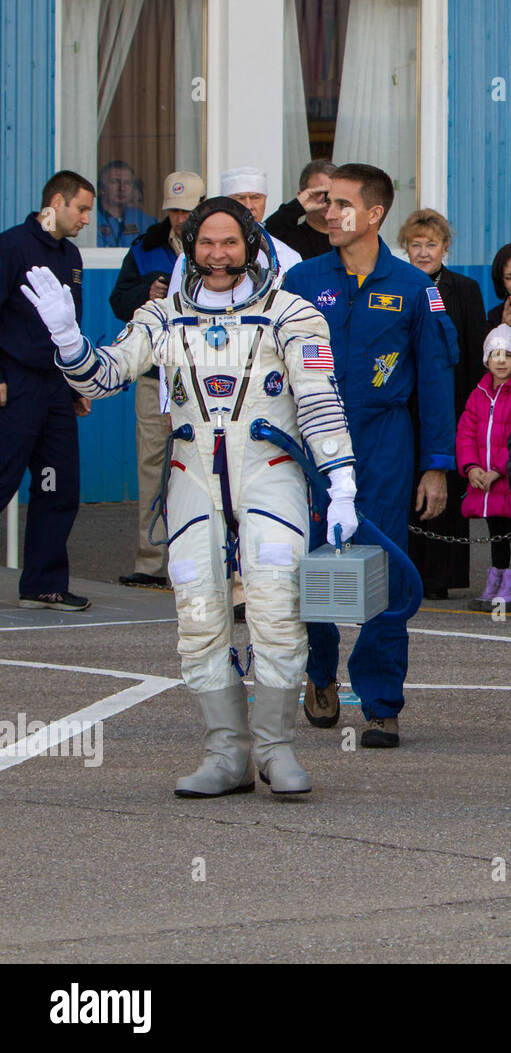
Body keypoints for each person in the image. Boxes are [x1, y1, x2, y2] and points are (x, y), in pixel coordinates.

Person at [23, 196, 357, 796]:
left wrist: (342, 483)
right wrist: (69, 338)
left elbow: (320, 402)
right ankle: (226, 753)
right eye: (206, 243)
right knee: (200, 616)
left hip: (271, 471)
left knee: (276, 607)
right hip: (191, 477)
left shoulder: (293, 313)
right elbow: (105, 376)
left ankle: (276, 750)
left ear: (251, 245)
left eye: (229, 243)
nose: (218, 255)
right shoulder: (162, 317)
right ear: (190, 247)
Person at [281, 163, 458, 749]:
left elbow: (435, 380)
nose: (328, 214)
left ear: (375, 213)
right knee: (312, 563)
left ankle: (382, 703)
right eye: (325, 204)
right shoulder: (303, 281)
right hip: (311, 446)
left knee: (381, 569)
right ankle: (319, 673)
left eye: (341, 204)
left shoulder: (412, 287)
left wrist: (435, 464)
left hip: (384, 445)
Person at [0, 171, 95, 611]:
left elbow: (72, 326)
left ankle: (43, 583)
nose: (86, 218)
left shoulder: (71, 257)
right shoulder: (12, 246)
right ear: (55, 202)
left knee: (59, 487)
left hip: (57, 387)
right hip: (14, 384)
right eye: (81, 208)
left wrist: (78, 382)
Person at [110, 171, 206, 590]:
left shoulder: (221, 246)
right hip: (154, 374)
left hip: (205, 377)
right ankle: (150, 562)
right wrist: (146, 293)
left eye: (188, 210)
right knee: (152, 465)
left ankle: (200, 561)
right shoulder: (144, 248)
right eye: (174, 210)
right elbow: (118, 301)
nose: (180, 218)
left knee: (203, 468)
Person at [398, 207, 488, 599]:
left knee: (446, 487)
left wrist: (471, 408)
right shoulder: (398, 286)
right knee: (407, 484)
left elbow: (474, 349)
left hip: (453, 402)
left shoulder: (464, 289)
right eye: (415, 245)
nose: (422, 252)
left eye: (430, 244)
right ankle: (408, 570)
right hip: (407, 404)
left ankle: (441, 575)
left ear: (445, 247)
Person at [457, 325, 511, 611]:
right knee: (497, 533)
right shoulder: (479, 393)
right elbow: (465, 432)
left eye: (508, 354)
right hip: (485, 482)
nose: (501, 360)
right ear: (486, 359)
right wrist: (470, 467)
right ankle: (496, 579)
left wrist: (500, 469)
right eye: (495, 354)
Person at [166, 168, 303, 294]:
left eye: (256, 197)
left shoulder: (289, 256)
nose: (249, 206)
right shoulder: (187, 259)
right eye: (240, 198)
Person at [265, 160, 336, 260]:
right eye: (319, 192)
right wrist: (297, 206)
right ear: (302, 196)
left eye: (332, 192)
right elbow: (265, 235)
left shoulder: (349, 236)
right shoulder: (292, 238)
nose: (327, 198)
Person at [96, 161, 156, 247]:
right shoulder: (90, 218)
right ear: (102, 187)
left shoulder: (145, 221)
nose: (122, 188)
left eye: (127, 183)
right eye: (115, 182)